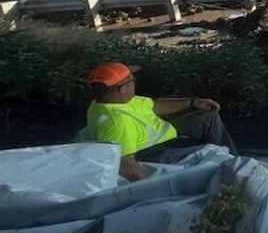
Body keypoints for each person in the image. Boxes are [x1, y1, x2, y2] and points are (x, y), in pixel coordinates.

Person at [83, 62, 239, 181]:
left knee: (207, 117)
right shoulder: (117, 123)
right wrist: (156, 187)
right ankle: (233, 170)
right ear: (121, 89)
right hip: (157, 152)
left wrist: (192, 102)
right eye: (132, 80)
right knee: (209, 126)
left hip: (164, 133)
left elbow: (153, 105)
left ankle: (231, 162)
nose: (135, 83)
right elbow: (127, 165)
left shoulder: (113, 100)